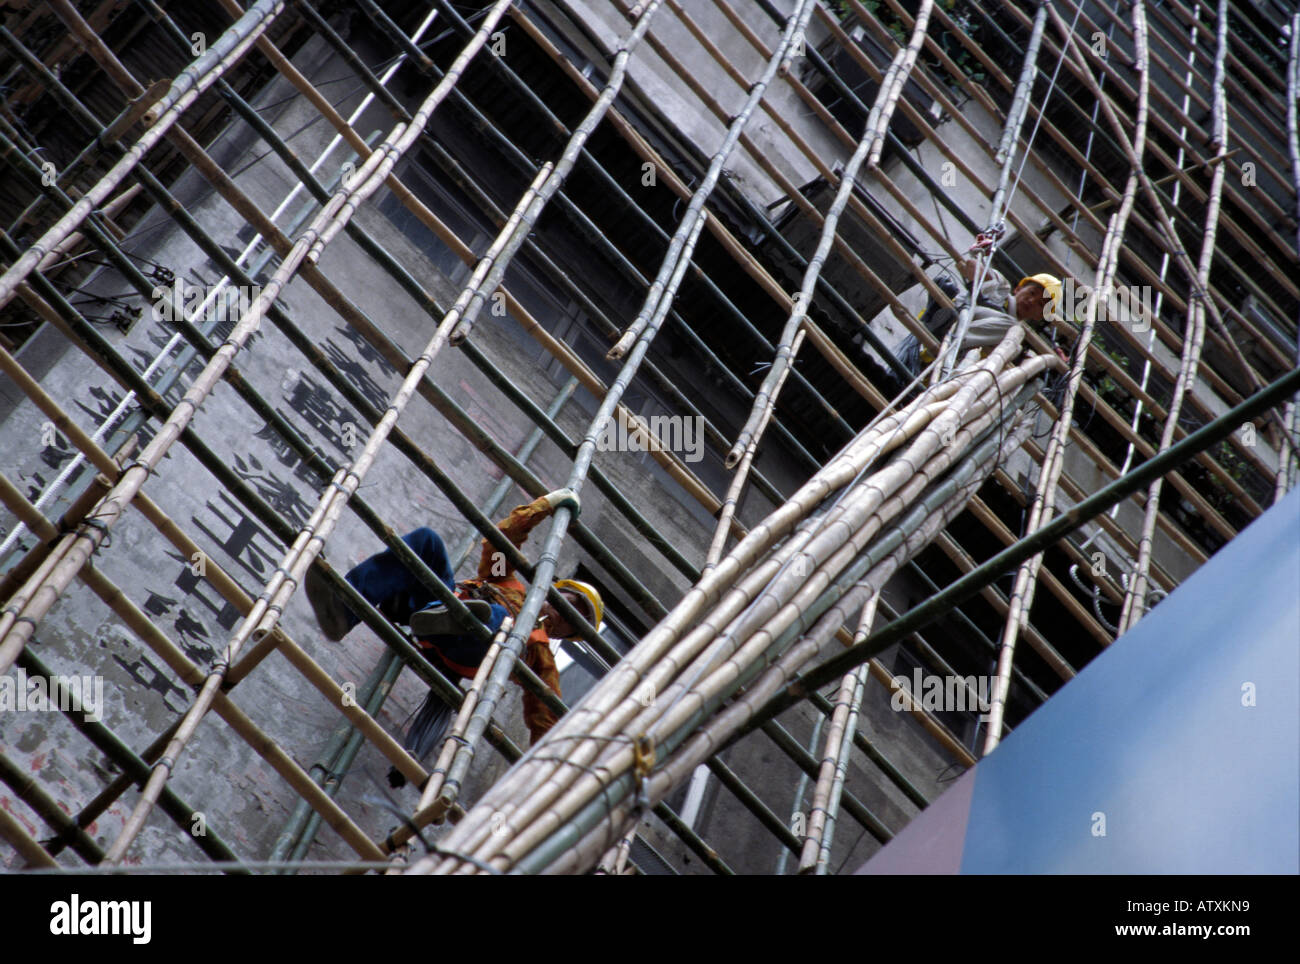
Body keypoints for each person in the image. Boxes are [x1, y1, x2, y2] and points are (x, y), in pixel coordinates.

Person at [303, 488, 602, 751]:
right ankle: (342, 611)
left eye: (571, 619)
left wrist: (544, 776)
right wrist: (545, 506)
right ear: (555, 592)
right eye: (569, 602)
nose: (563, 612)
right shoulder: (504, 582)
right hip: (433, 611)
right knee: (426, 542)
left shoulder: (541, 656)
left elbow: (545, 721)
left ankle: (462, 619)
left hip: (471, 650)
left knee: (501, 621)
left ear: (565, 633)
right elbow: (503, 541)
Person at [888, 261, 1066, 386]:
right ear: (1018, 289)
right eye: (1032, 293)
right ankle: (952, 339)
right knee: (1013, 329)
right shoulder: (1001, 290)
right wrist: (984, 278)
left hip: (940, 373)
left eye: (1041, 304)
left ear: (1040, 316)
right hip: (939, 335)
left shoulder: (1014, 340)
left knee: (1015, 336)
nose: (1031, 301)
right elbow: (972, 265)